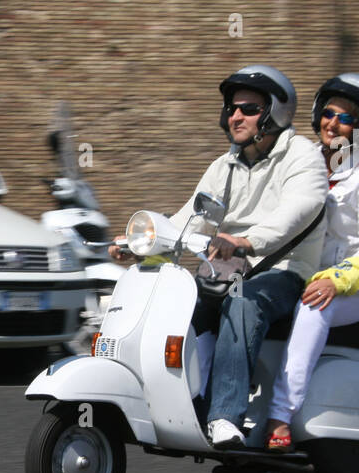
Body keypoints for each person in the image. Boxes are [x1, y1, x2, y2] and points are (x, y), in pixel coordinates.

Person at [112, 65, 327, 448]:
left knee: (243, 303)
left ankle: (225, 417)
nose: (235, 116)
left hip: (283, 270)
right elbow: (188, 221)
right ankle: (176, 401)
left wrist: (246, 240)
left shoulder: (302, 156)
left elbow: (299, 210)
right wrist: (138, 242)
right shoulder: (224, 165)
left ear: (275, 111)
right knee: (175, 306)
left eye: (248, 108)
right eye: (231, 108)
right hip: (230, 269)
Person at [264, 74, 359, 449]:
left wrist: (337, 281)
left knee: (313, 306)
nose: (333, 123)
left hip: (357, 287)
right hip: (302, 273)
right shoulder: (301, 165)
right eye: (328, 112)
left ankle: (280, 415)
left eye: (346, 117)